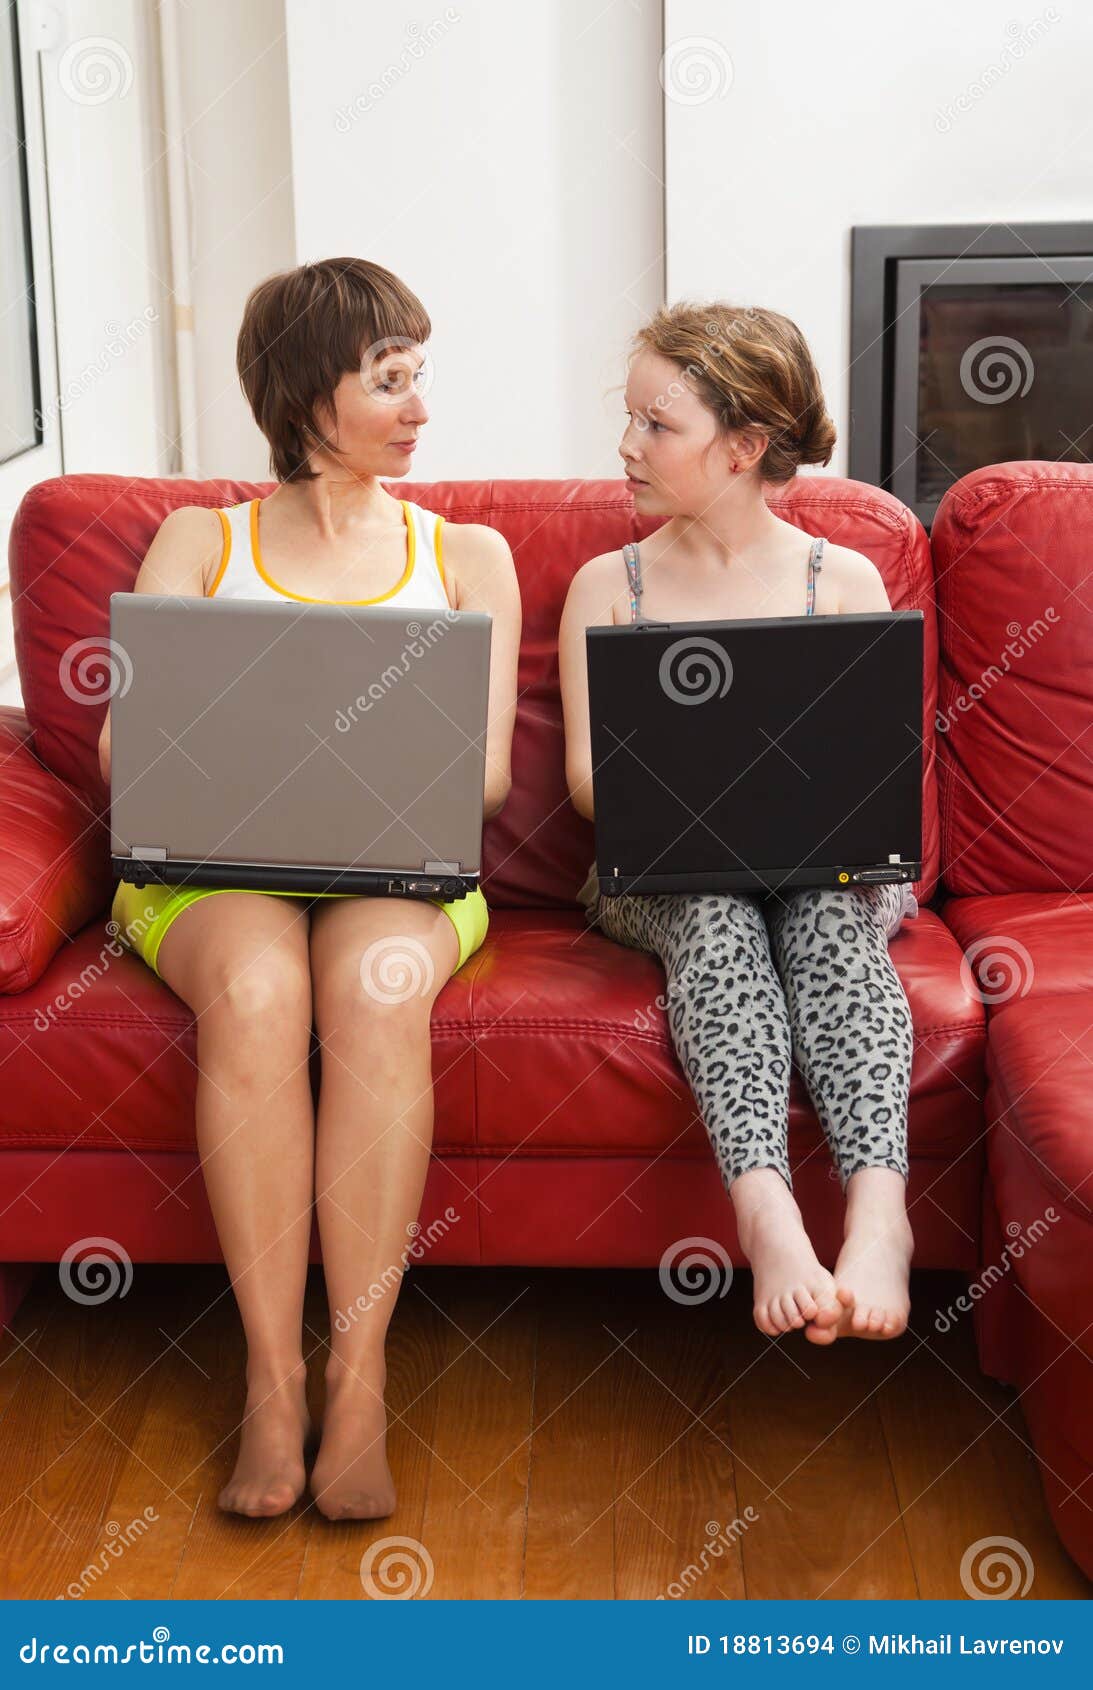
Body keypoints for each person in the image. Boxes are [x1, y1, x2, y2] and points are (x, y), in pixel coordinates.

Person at [98, 257, 521, 1518]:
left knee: (378, 989)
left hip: (396, 862)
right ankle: (273, 1380)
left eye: (419, 377)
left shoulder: (468, 554)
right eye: (388, 380)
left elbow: (485, 777)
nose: (419, 408)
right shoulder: (199, 541)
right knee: (255, 987)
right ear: (304, 391)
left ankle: (360, 1375)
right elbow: (126, 749)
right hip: (212, 867)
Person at [558, 301, 918, 1346]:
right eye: (630, 418)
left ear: (744, 446)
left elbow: (875, 774)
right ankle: (765, 1211)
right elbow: (589, 784)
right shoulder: (606, 587)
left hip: (826, 868)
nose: (627, 445)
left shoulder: (840, 580)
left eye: (656, 424)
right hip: (664, 874)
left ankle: (879, 1213)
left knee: (825, 916)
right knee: (715, 914)